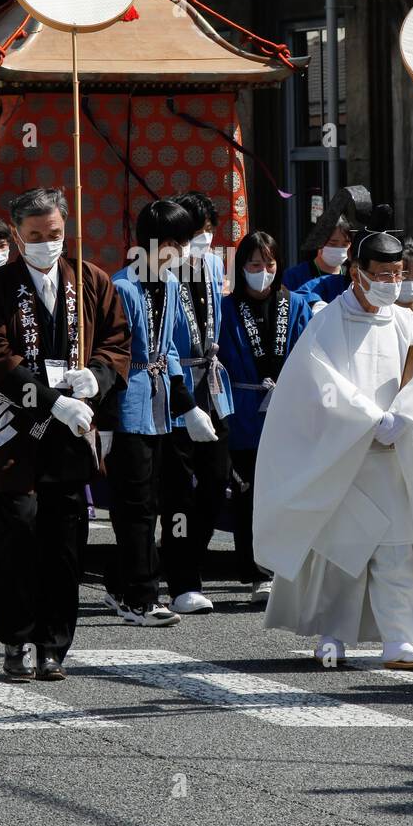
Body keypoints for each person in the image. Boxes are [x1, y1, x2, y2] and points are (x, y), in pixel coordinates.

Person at [256, 212, 413, 669]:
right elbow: (317, 385)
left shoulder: (403, 322)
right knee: (341, 550)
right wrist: (368, 419)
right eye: (383, 275)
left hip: (392, 454)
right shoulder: (328, 323)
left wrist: (406, 415)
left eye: (397, 275)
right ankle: (332, 634)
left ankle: (398, 639)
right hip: (343, 455)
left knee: (398, 548)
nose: (391, 284)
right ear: (357, 274)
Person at [0, 188, 130, 680]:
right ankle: (16, 639)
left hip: (70, 431)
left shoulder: (92, 280)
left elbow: (118, 341)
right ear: (17, 235)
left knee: (65, 540)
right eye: (35, 236)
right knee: (18, 530)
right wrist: (51, 400)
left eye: (55, 234)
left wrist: (95, 377)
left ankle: (53, 645)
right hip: (13, 430)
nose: (47, 244)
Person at [102, 199, 216, 626]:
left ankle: (120, 582)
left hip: (160, 407)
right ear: (155, 243)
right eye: (177, 242)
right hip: (127, 405)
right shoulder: (122, 287)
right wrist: (107, 421)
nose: (184, 250)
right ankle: (141, 597)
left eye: (184, 242)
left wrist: (188, 408)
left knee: (153, 499)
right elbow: (110, 357)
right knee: (135, 506)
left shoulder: (169, 285)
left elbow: (168, 350)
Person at [220, 231, 311, 601]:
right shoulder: (227, 309)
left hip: (288, 410)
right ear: (241, 268)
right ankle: (257, 572)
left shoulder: (298, 304)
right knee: (249, 493)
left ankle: (292, 568)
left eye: (269, 264)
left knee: (290, 492)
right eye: (255, 265)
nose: (263, 272)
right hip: (244, 410)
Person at [158, 191, 233, 615]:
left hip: (212, 380)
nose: (202, 240)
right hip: (176, 386)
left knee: (215, 481)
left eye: (208, 231)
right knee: (176, 491)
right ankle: (182, 578)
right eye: (195, 233)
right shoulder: (162, 274)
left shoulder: (216, 265)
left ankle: (185, 558)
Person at [283, 217, 352, 292]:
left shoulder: (352, 277)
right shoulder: (293, 276)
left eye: (345, 244)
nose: (339, 249)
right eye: (332, 244)